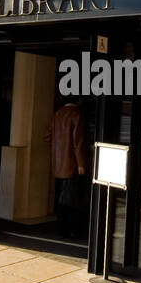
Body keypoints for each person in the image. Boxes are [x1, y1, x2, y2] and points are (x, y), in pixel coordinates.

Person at [46, 98, 88, 239]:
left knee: (62, 198)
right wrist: (81, 164)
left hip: (58, 165)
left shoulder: (57, 114)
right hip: (72, 165)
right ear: (78, 101)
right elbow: (78, 142)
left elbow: (48, 137)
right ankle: (74, 230)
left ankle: (61, 229)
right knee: (73, 200)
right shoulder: (77, 115)